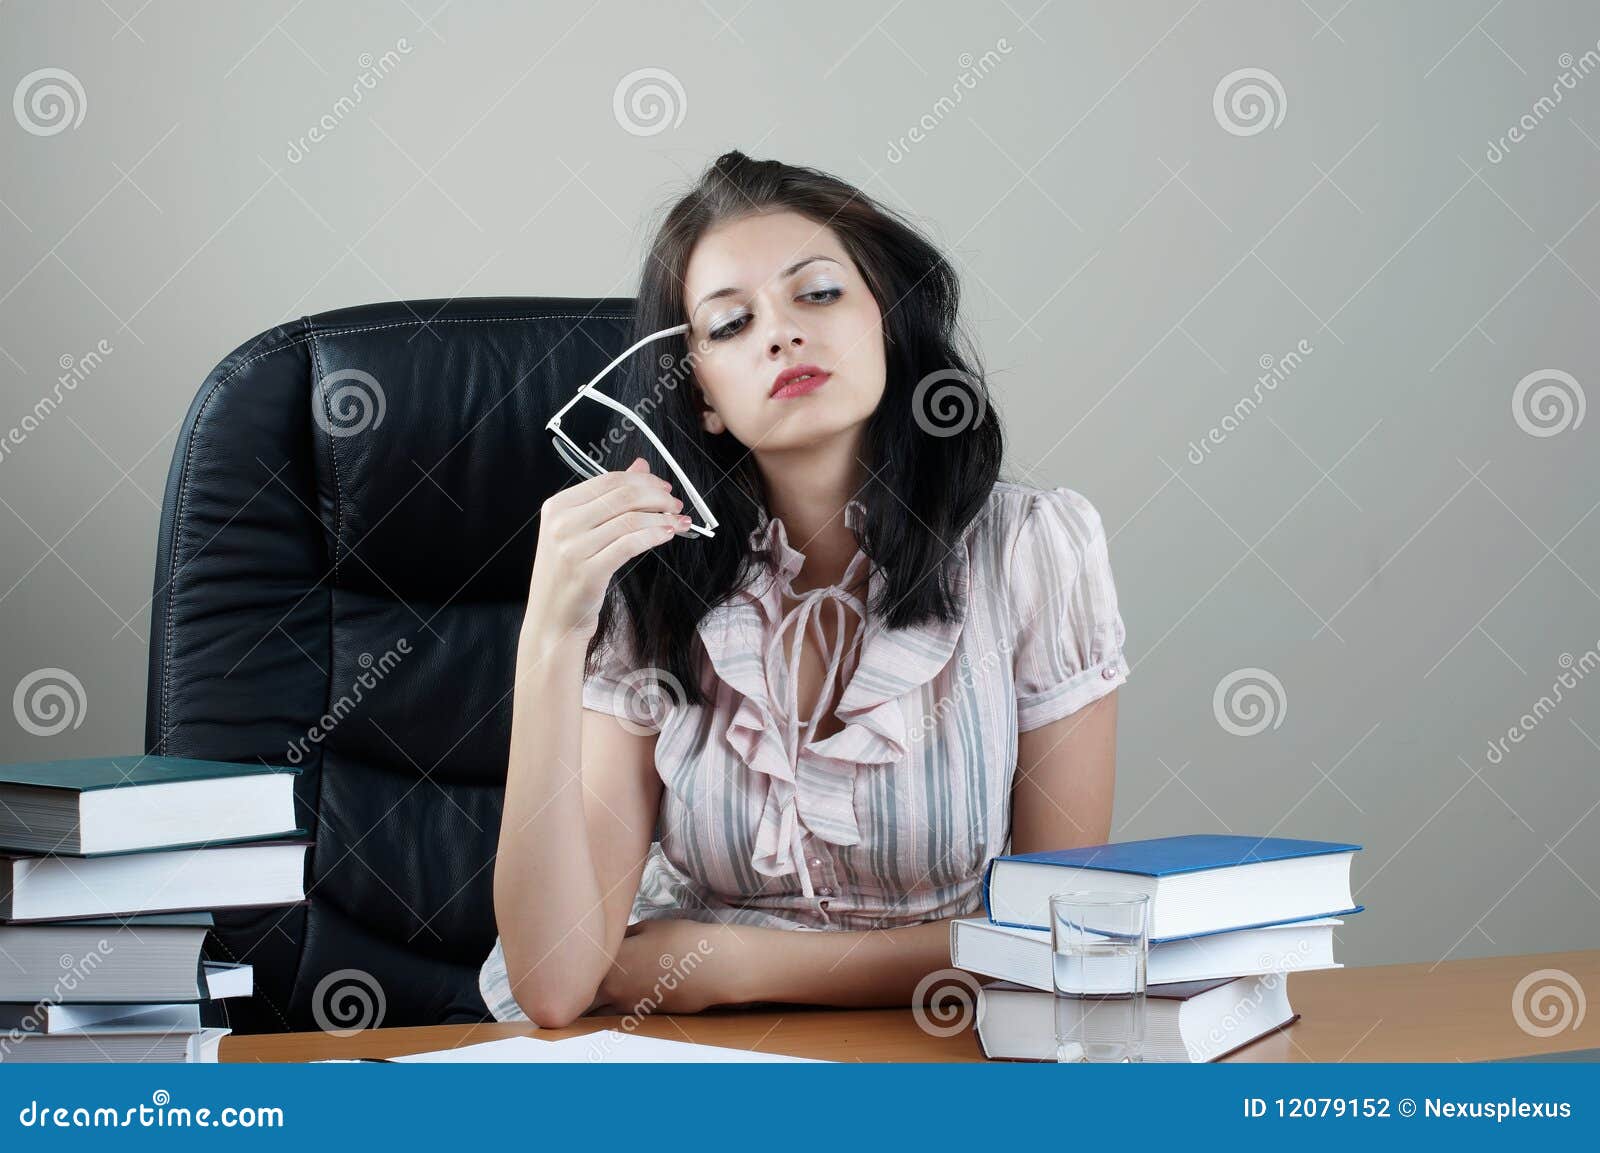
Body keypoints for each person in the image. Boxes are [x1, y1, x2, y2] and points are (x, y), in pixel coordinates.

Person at [481, 151, 1128, 1027]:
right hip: (686, 1052)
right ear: (701, 394)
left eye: (817, 293)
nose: (781, 333)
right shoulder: (651, 586)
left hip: (939, 1043)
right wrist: (551, 635)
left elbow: (1060, 937)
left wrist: (737, 961)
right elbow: (555, 986)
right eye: (731, 324)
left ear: (888, 324)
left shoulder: (1030, 550)